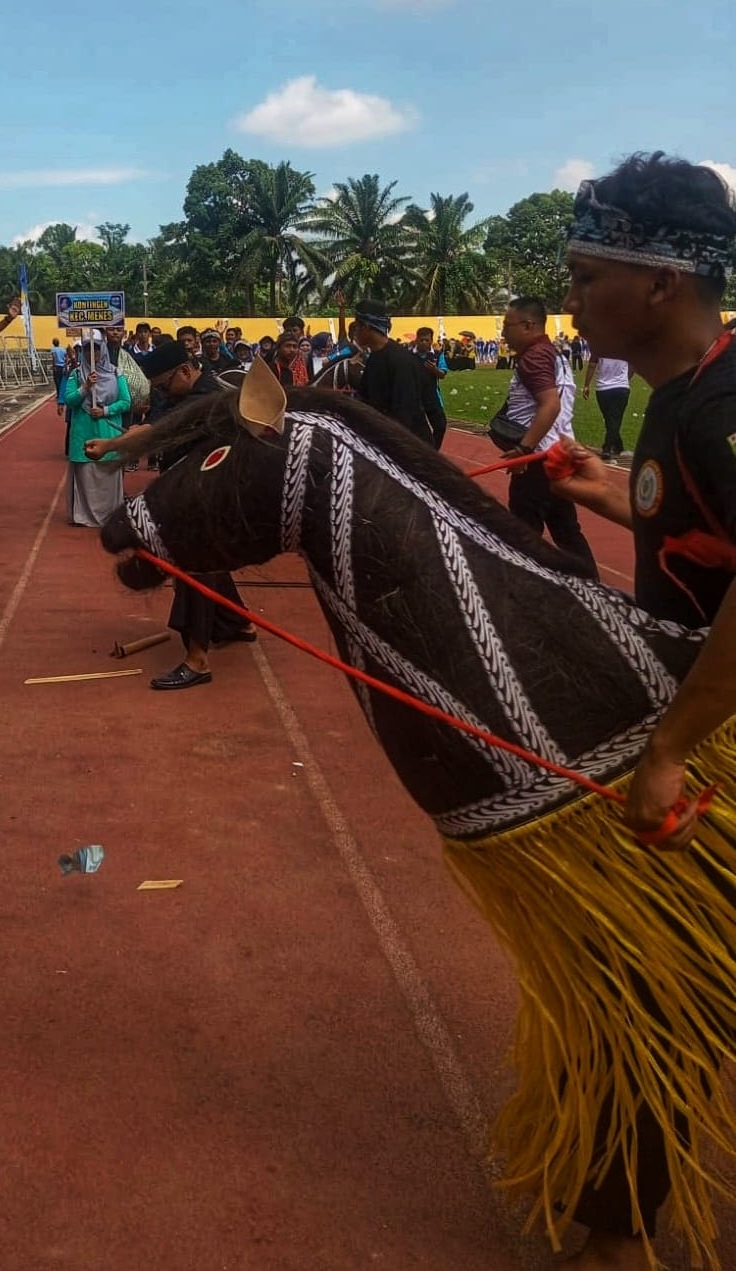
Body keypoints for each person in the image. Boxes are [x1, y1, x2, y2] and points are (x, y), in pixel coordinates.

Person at [546, 152, 736, 1270]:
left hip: (706, 747)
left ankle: (619, 1240)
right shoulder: (681, 400)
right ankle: (616, 1220)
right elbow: (701, 537)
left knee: (658, 993)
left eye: (585, 271)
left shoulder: (720, 406)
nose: (571, 296)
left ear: (660, 280)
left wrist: (669, 745)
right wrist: (613, 494)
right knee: (648, 986)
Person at [85, 340, 256, 689]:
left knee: (195, 571)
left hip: (214, 496)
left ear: (185, 370)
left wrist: (111, 445)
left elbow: (159, 429)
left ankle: (197, 660)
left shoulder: (206, 397)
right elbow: (157, 421)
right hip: (196, 491)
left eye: (165, 384)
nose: (163, 392)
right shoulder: (182, 393)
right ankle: (239, 623)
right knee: (213, 565)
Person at [497, 296, 598, 576]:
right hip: (556, 453)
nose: (504, 332)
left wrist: (522, 450)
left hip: (537, 459)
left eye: (508, 325)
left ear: (528, 326)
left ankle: (522, 587)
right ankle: (592, 585)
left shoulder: (534, 357)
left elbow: (550, 404)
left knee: (522, 532)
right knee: (566, 529)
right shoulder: (551, 353)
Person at [64, 330, 130, 527]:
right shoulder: (76, 374)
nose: (92, 354)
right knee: (85, 478)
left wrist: (106, 410)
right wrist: (84, 388)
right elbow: (70, 400)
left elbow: (126, 402)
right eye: (87, 349)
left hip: (108, 434)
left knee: (108, 479)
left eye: (96, 349)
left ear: (103, 350)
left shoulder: (115, 373)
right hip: (84, 433)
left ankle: (110, 515)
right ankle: (83, 516)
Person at [353, 301, 434, 445]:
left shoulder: (401, 361)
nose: (354, 332)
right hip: (384, 440)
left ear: (365, 327)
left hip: (409, 446)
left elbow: (404, 415)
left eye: (356, 327)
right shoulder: (374, 358)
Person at [581, 351, 631, 462]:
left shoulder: (601, 345)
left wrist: (586, 385)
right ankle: (617, 446)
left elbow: (592, 365)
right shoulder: (625, 346)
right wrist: (625, 379)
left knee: (611, 419)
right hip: (621, 387)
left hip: (603, 388)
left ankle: (607, 447)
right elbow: (633, 365)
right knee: (613, 420)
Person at [412, 326, 449, 449]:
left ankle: (434, 451)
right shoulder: (408, 355)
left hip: (432, 396)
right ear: (416, 340)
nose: (424, 343)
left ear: (431, 341)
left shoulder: (438, 356)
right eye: (421, 340)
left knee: (440, 426)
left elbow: (443, 374)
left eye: (426, 340)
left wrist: (434, 370)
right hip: (414, 397)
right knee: (420, 431)